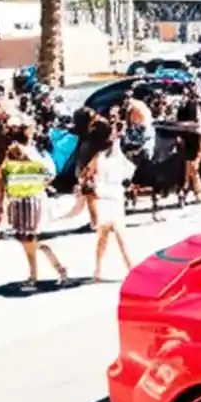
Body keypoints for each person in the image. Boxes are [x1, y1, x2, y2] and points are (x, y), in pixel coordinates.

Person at [1, 125, 68, 290]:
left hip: (22, 203)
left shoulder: (12, 157)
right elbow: (49, 176)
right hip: (35, 200)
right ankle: (52, 271)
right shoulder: (36, 154)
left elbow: (6, 182)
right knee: (33, 240)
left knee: (29, 241)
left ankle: (38, 274)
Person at [84, 121, 134, 282]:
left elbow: (87, 175)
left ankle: (98, 269)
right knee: (120, 235)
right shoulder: (114, 153)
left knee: (103, 235)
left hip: (103, 196)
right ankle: (131, 268)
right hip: (114, 196)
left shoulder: (97, 156)